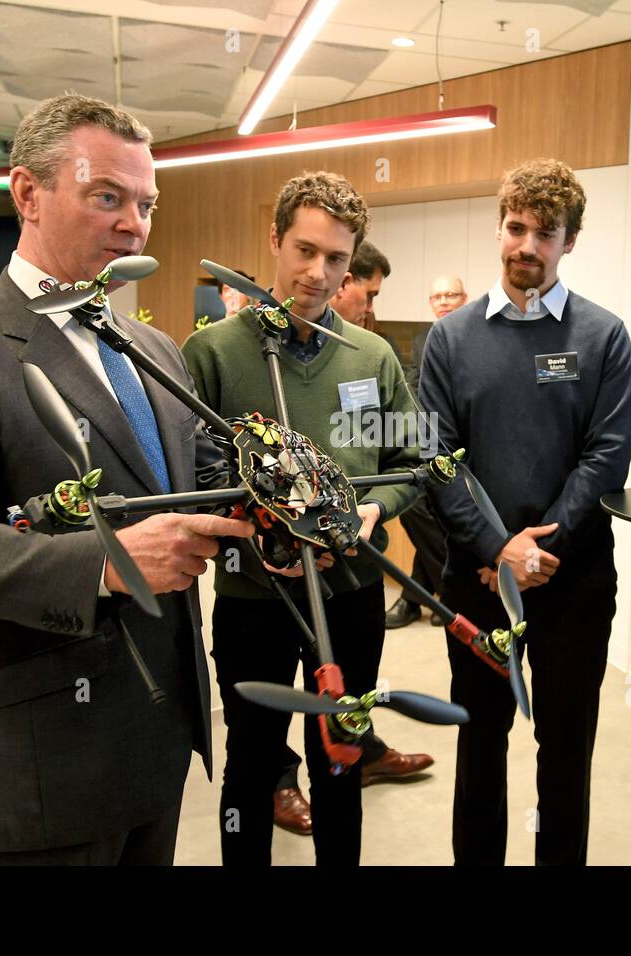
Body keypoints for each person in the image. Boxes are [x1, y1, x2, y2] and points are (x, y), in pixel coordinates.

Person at [0, 93, 252, 865]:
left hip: (158, 735)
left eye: (146, 203)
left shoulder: (155, 348)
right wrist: (102, 563)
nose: (134, 225)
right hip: (42, 759)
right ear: (27, 194)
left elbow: (200, 482)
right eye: (106, 196)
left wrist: (271, 518)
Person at [183, 171, 423, 866]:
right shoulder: (214, 351)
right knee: (251, 763)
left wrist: (372, 512)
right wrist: (266, 531)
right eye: (305, 251)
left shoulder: (373, 357)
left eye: (337, 259)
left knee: (340, 758)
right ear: (274, 241)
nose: (318, 273)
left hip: (348, 598)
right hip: (253, 597)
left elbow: (412, 461)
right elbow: (195, 475)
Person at [421, 158, 631, 865]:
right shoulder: (450, 340)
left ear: (569, 242)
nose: (527, 245)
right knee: (479, 740)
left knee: (566, 749)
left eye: (546, 233)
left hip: (570, 584)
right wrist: (495, 551)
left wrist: (539, 553)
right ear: (498, 227)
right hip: (478, 585)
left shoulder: (604, 338)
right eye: (516, 227)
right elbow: (437, 458)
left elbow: (607, 457)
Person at [384, 273, 468, 630]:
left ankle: (417, 596)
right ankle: (445, 592)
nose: (444, 301)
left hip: (464, 446)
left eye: (451, 295)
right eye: (438, 297)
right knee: (418, 509)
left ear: (465, 298)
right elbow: (414, 386)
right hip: (428, 441)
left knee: (438, 514)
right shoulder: (422, 338)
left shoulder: (475, 337)